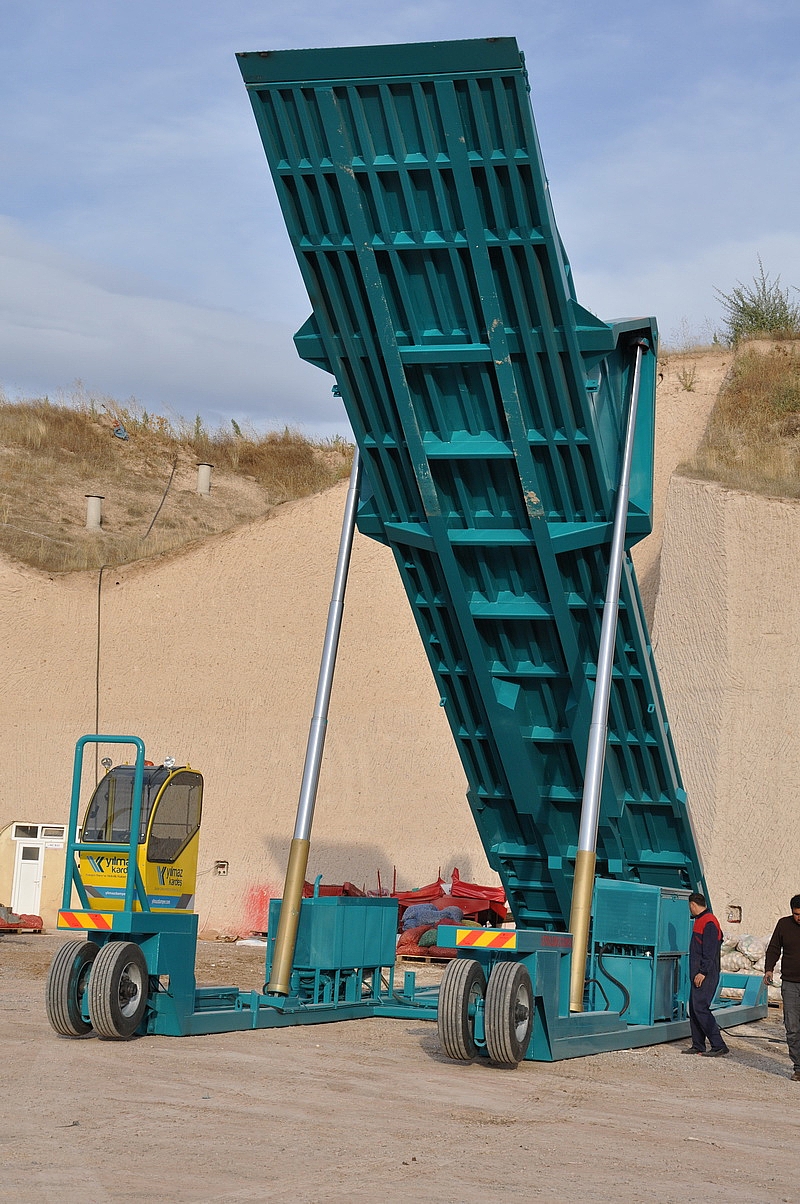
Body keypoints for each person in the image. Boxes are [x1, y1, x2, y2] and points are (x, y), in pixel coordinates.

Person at [683, 891, 728, 1056]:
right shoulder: (701, 920)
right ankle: (698, 1044)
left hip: (706, 974)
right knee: (694, 1008)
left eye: (690, 906)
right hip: (699, 972)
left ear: (693, 905)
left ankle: (719, 1045)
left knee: (701, 1007)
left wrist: (702, 972)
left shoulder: (708, 922)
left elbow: (709, 951)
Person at [764, 894, 800, 1082]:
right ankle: (798, 1067)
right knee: (792, 1027)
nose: (799, 917)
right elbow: (774, 948)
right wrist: (768, 969)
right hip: (790, 984)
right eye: (796, 914)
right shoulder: (784, 924)